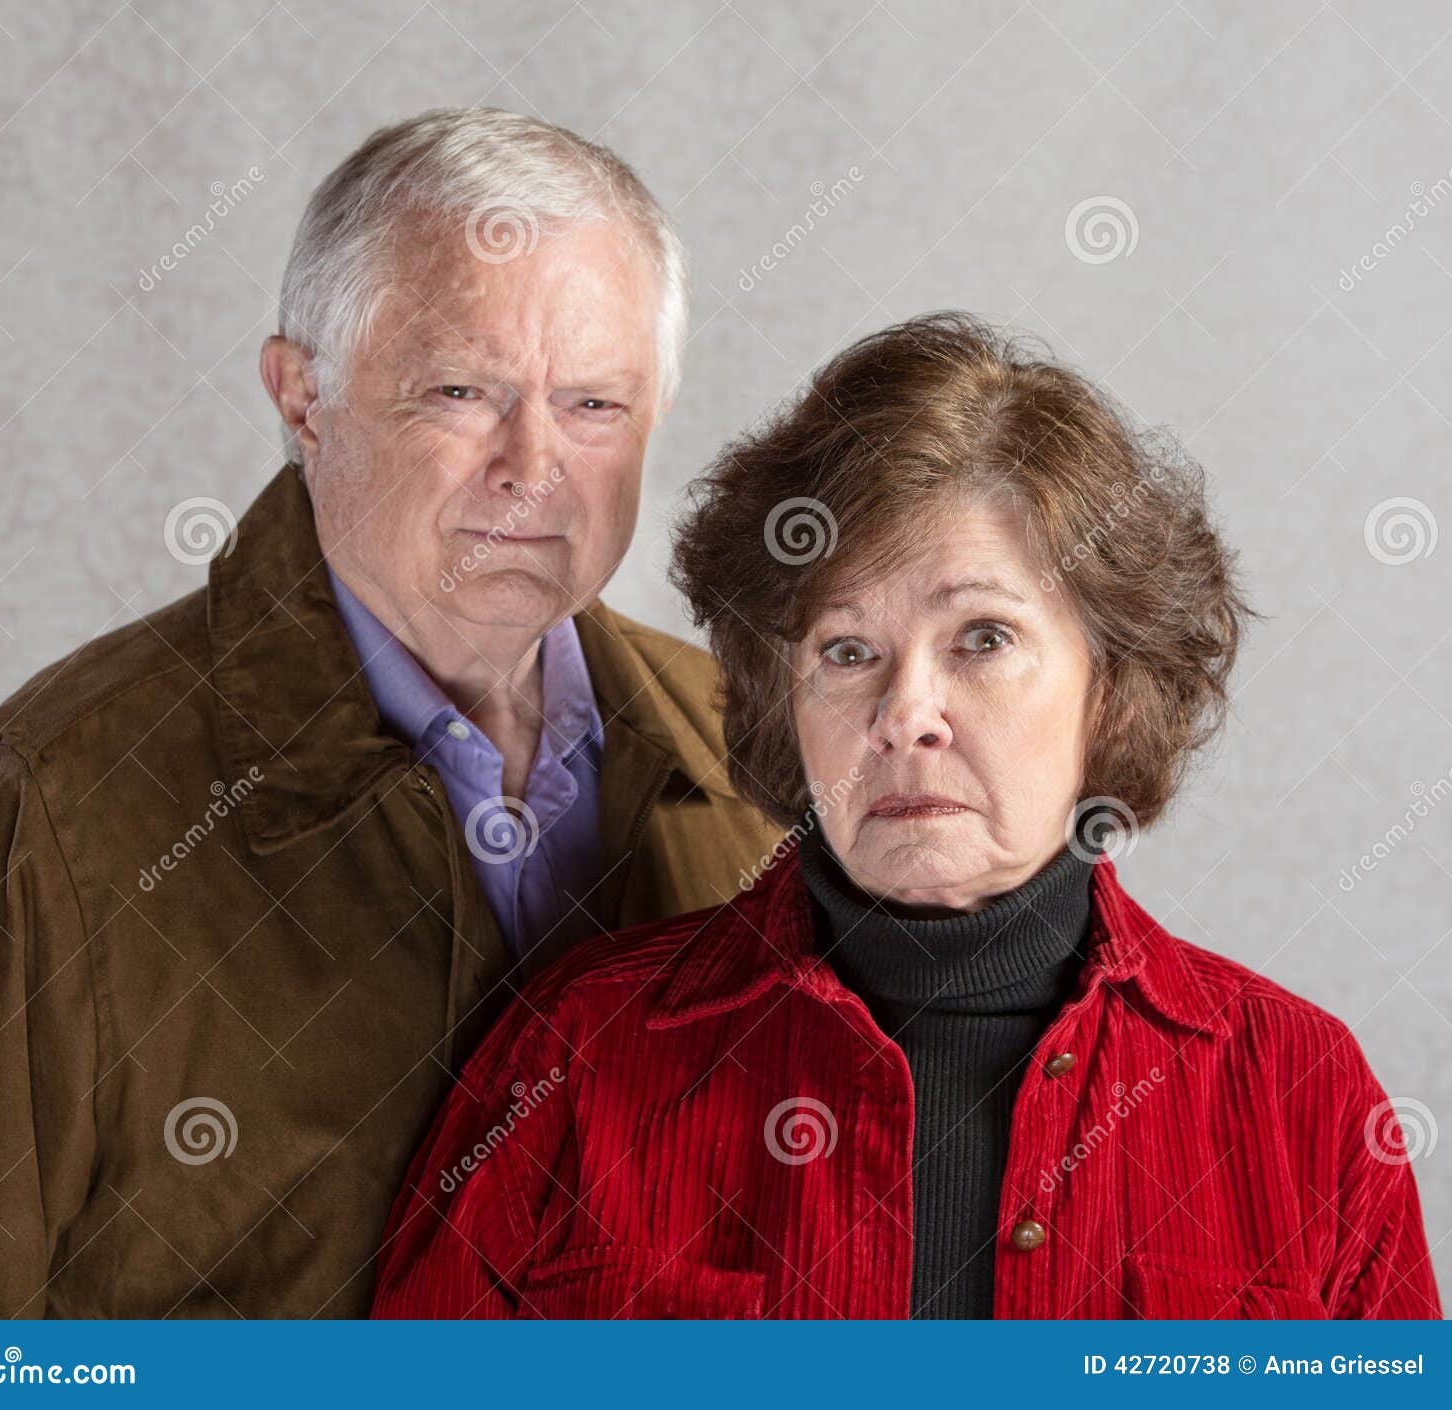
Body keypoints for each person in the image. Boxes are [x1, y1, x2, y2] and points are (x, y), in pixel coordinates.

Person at [0, 109, 781, 1318]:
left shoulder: (764, 757)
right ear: (302, 397)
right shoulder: (39, 816)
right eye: (460, 390)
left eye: (594, 405)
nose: (533, 464)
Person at [371, 312, 1442, 1320]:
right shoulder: (573, 1058)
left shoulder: (1297, 1092)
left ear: (1108, 688)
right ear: (786, 705)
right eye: (846, 652)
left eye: (981, 638)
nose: (903, 715)